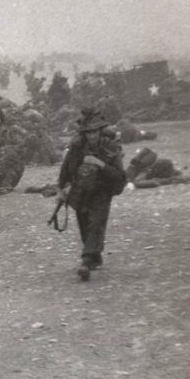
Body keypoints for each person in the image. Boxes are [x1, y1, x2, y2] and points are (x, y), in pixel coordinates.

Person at [55, 111, 127, 281]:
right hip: (80, 190)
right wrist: (61, 189)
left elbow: (120, 176)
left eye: (95, 132)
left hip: (102, 190)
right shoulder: (77, 147)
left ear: (100, 131)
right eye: (89, 132)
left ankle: (86, 261)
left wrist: (100, 164)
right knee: (84, 223)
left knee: (96, 223)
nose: (92, 135)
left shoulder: (110, 147)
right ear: (84, 133)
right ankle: (95, 256)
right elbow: (66, 169)